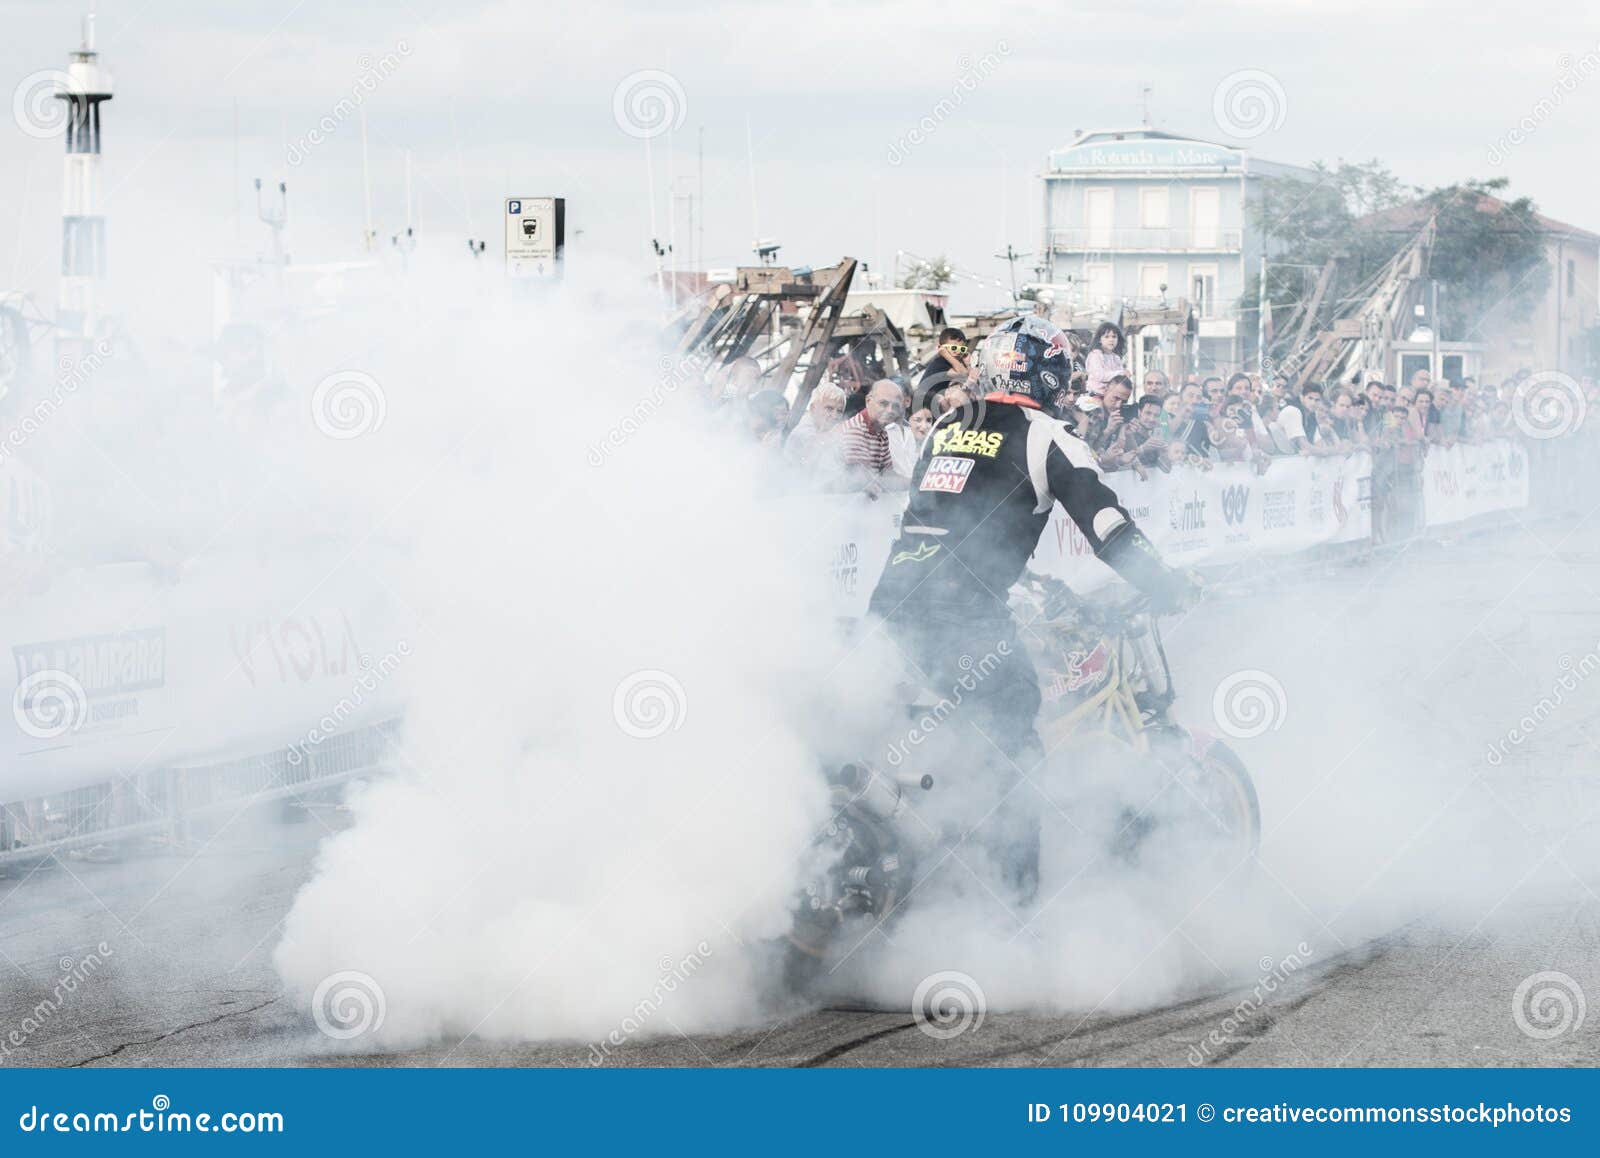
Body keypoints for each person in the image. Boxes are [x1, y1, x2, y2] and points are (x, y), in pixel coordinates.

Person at [867, 315, 1194, 889]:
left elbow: (951, 523)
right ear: (1047, 376)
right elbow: (1107, 526)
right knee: (1016, 739)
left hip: (890, 605)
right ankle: (1015, 906)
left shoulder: (946, 425)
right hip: (961, 616)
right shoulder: (1049, 436)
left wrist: (1028, 582)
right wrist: (1166, 584)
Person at [836, 379, 909, 496]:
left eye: (895, 406)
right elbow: (863, 479)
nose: (890, 410)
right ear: (868, 401)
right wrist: (912, 483)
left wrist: (915, 483)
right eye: (883, 404)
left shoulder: (881, 432)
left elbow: (887, 473)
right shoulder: (856, 429)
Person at [918, 328, 970, 396]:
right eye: (953, 348)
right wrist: (946, 355)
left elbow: (968, 380)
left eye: (962, 349)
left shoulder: (956, 364)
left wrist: (968, 364)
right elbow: (963, 374)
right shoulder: (939, 363)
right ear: (942, 348)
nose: (958, 351)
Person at [1084, 321, 1126, 397]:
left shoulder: (1116, 358)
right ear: (1100, 339)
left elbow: (1119, 379)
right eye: (1107, 337)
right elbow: (1100, 376)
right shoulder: (1095, 355)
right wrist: (1121, 373)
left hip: (1110, 395)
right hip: (1094, 395)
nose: (1111, 340)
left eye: (1114, 336)